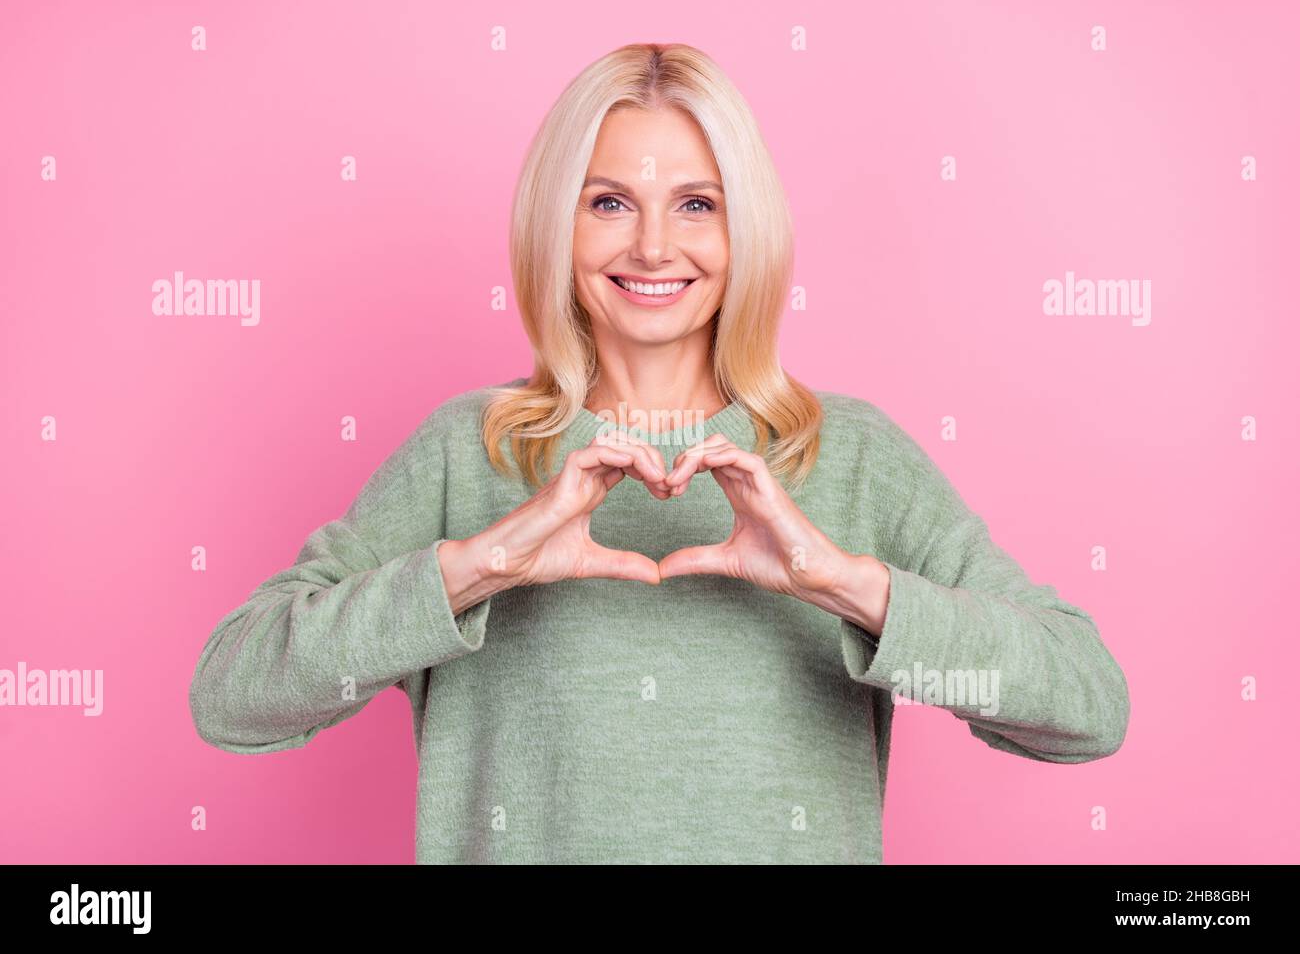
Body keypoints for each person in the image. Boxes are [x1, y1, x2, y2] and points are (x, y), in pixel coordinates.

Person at [189, 42, 1130, 864]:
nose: (651, 245)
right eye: (608, 201)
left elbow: (1087, 706)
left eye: (695, 204)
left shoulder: (850, 455)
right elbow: (232, 698)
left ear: (743, 227)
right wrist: (479, 567)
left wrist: (844, 585)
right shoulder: (466, 453)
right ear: (556, 223)